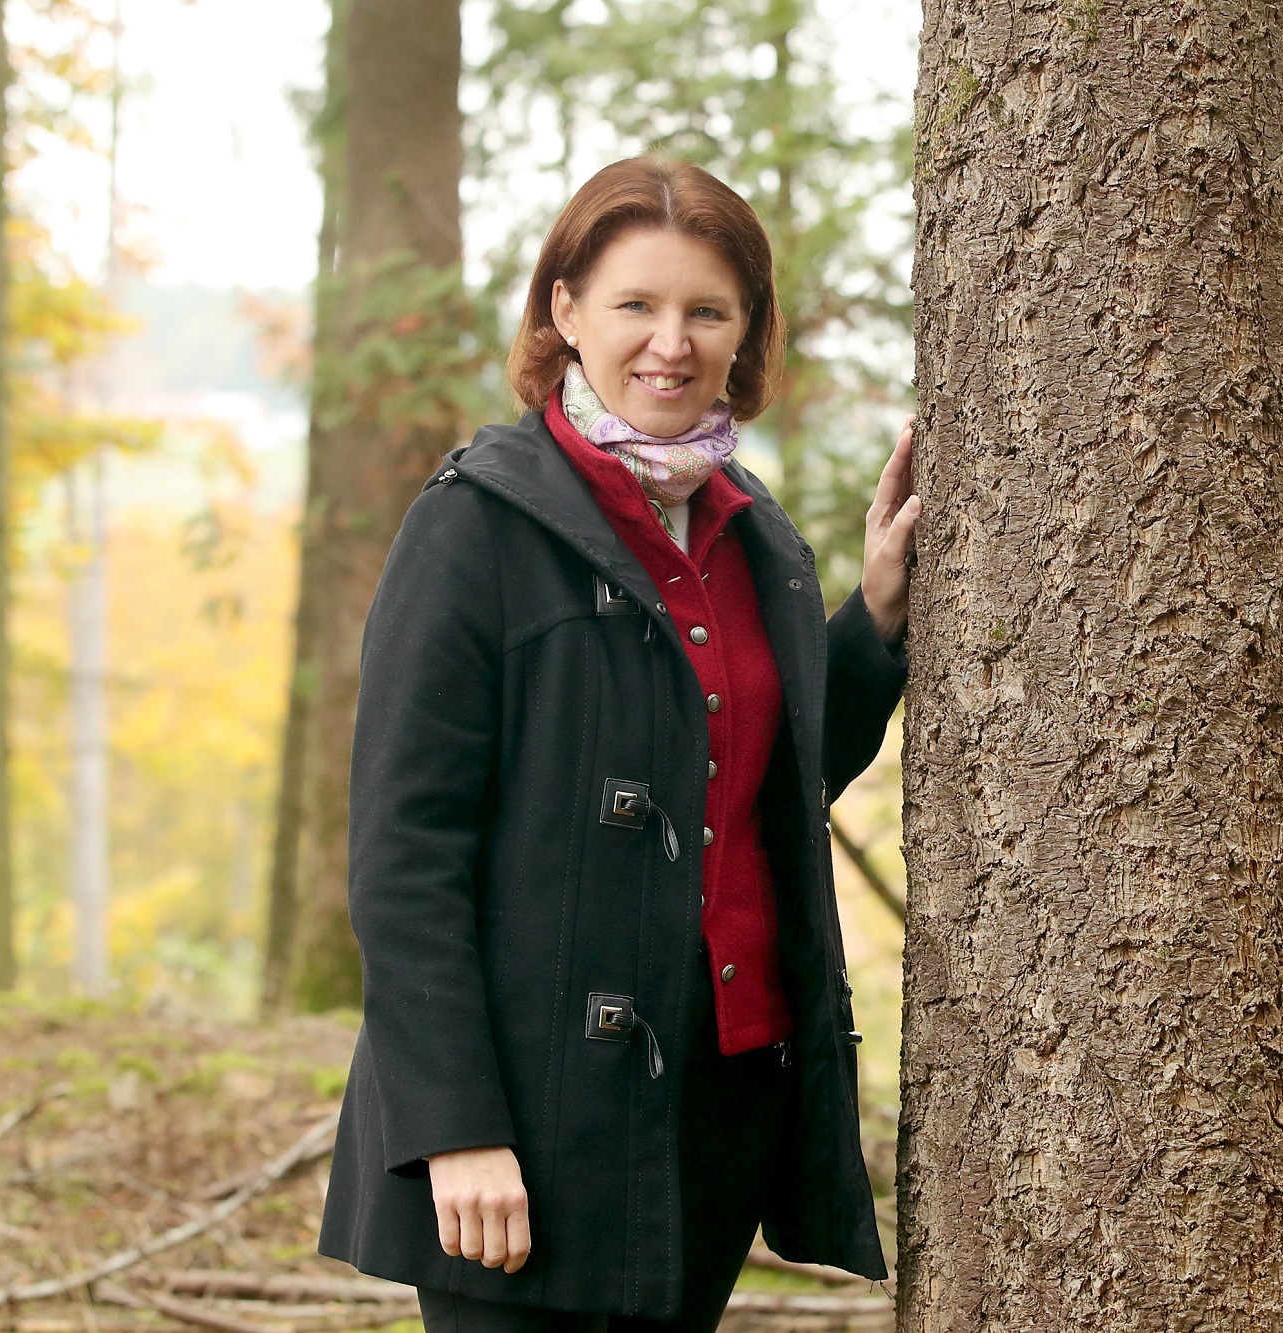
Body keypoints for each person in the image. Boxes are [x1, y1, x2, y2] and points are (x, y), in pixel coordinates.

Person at [316, 156, 920, 1333]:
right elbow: (403, 858)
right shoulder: (474, 526)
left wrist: (874, 620)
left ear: (743, 332)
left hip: (717, 1103)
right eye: (635, 305)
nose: (670, 343)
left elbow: (769, 785)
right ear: (565, 311)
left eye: (707, 311)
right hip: (523, 1124)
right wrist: (455, 1127)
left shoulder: (757, 539)